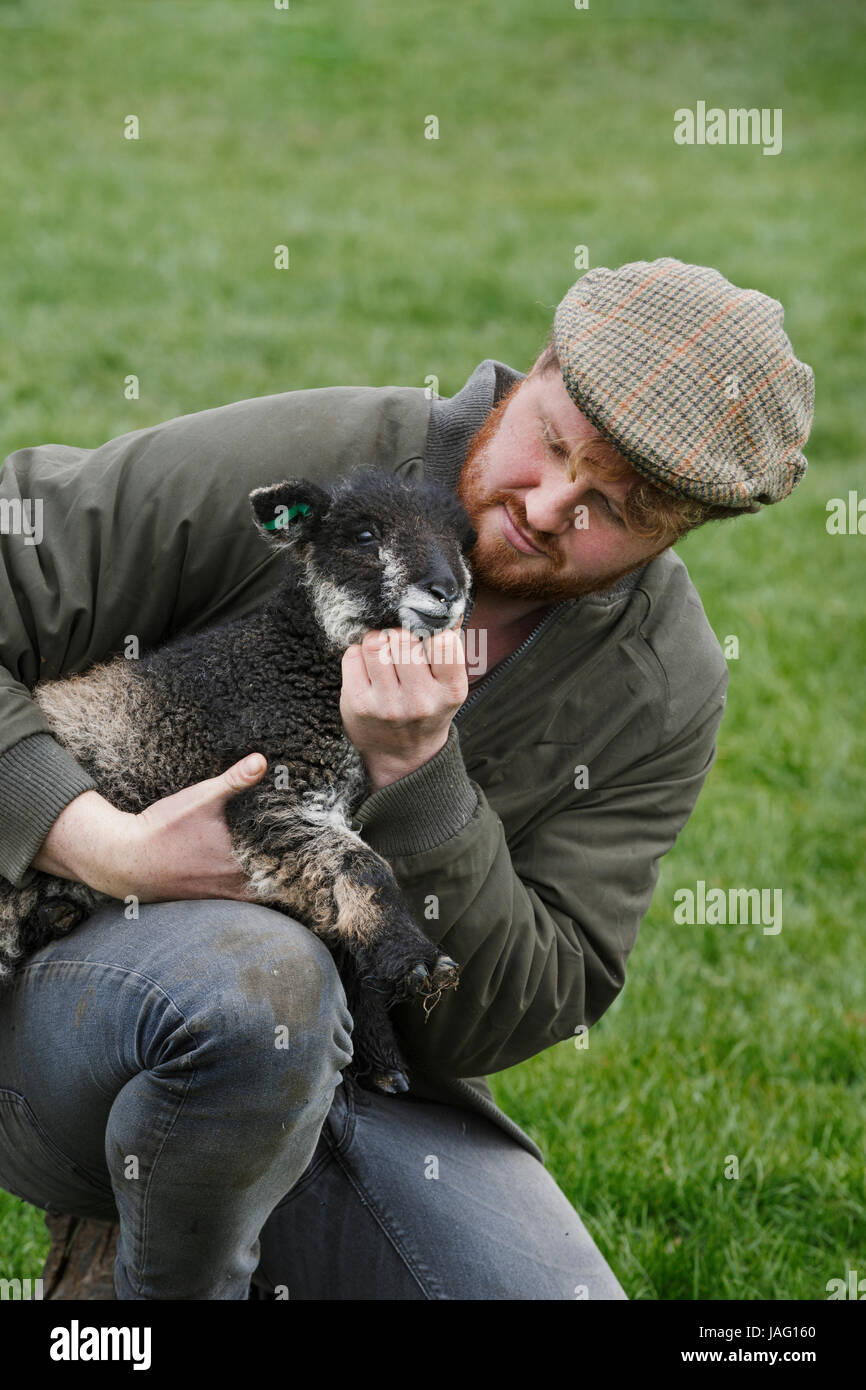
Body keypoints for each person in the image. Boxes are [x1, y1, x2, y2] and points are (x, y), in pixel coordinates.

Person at [0, 258, 814, 1300]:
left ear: (686, 529)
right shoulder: (312, 462)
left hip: (369, 1077)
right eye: (553, 442)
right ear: (535, 369)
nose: (548, 504)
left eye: (616, 507)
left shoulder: (661, 682)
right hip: (58, 993)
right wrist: (87, 839)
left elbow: (525, 1008)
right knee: (260, 989)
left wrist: (422, 777)